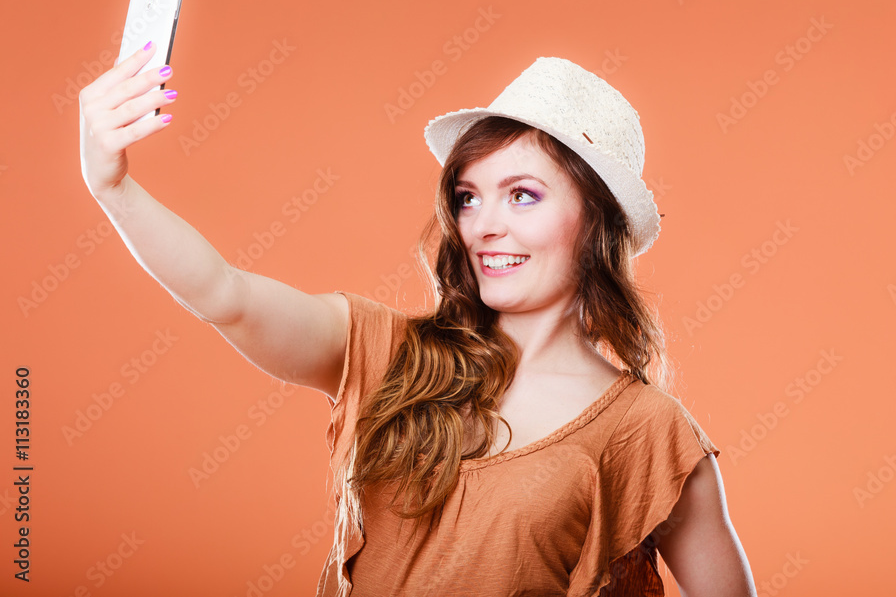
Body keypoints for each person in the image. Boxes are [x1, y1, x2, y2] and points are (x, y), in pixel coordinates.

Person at [79, 45, 757, 596]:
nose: (485, 225)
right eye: (468, 197)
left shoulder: (648, 431)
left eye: (522, 195)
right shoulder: (385, 351)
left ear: (597, 223)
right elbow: (225, 293)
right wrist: (112, 185)